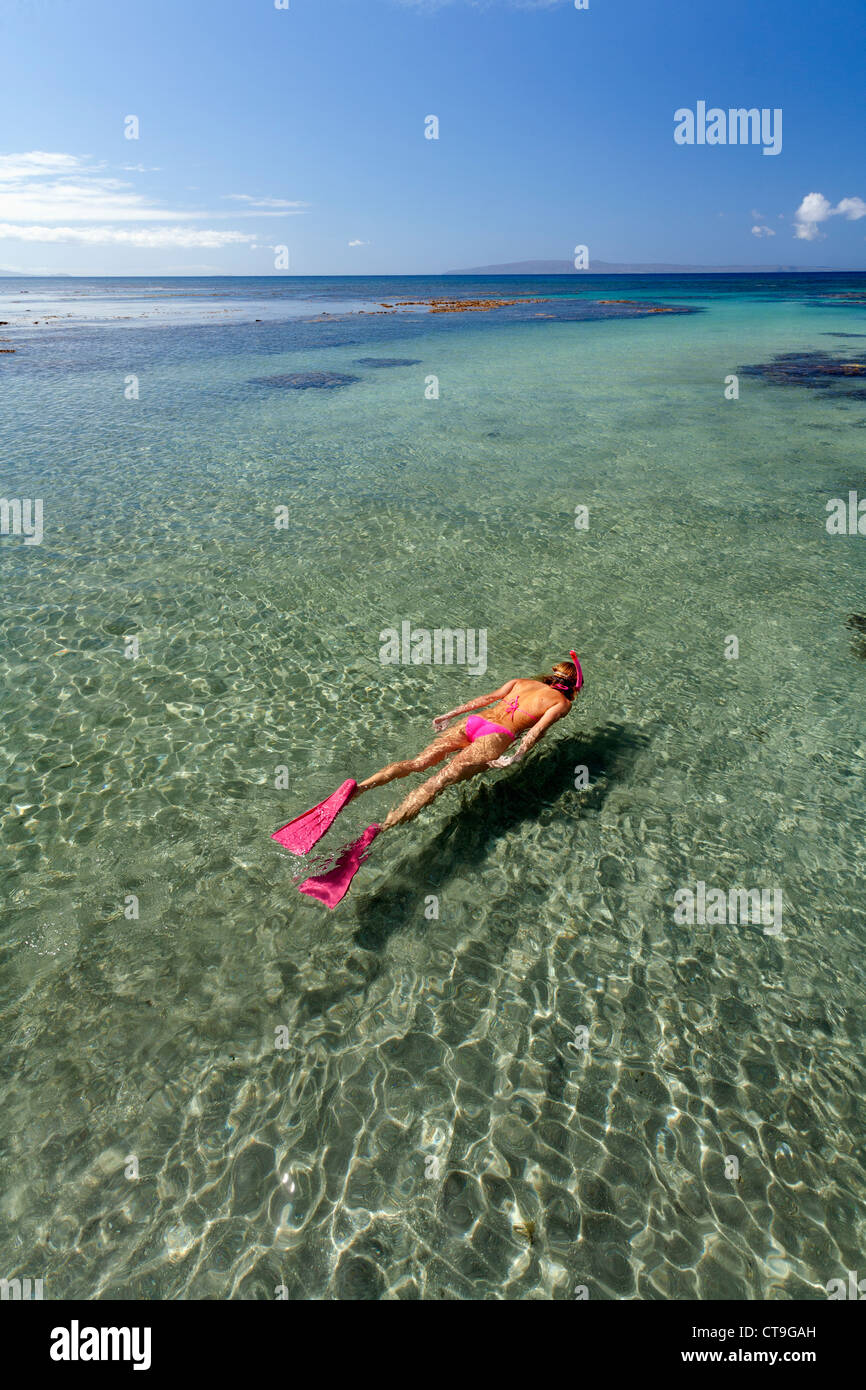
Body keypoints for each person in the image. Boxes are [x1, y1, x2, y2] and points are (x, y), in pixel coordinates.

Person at [271, 650, 583, 907]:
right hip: (497, 737)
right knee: (436, 783)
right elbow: (537, 732)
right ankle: (380, 828)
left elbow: (484, 698)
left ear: (552, 674)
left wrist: (448, 715)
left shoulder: (522, 681)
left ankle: (359, 788)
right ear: (571, 686)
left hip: (472, 723)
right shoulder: (561, 703)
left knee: (417, 763)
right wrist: (513, 757)